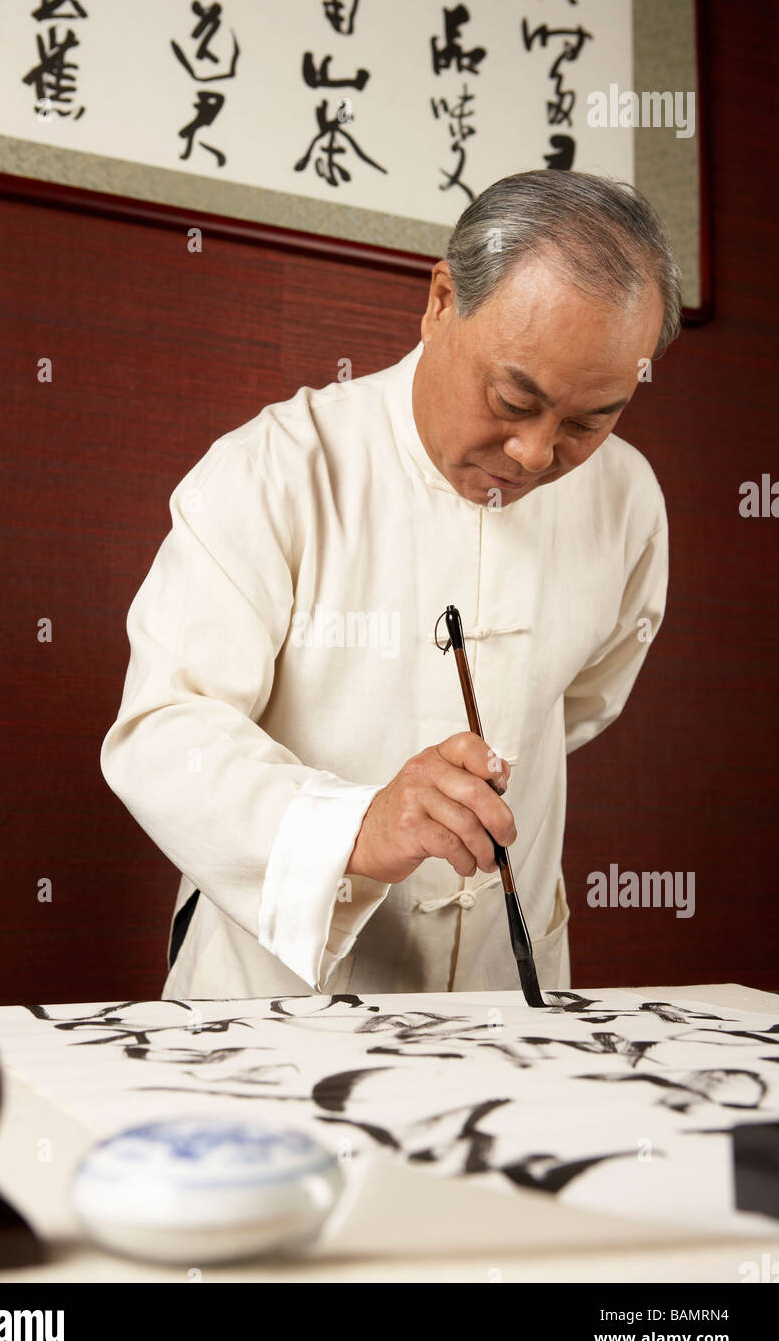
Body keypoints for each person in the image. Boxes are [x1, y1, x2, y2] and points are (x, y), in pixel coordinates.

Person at [100, 168, 680, 999]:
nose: (536, 454)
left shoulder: (627, 501)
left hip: (505, 993)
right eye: (515, 396)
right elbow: (163, 730)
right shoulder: (277, 469)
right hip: (278, 994)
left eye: (590, 420)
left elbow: (583, 700)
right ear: (443, 300)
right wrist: (355, 829)